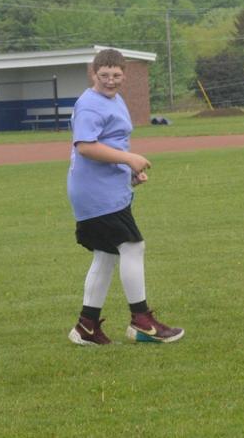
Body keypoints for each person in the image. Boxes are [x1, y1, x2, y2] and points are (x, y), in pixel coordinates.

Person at [67, 48, 183, 346]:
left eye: (116, 75)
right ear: (93, 74)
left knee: (106, 255)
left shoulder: (114, 100)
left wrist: (127, 170)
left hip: (107, 188)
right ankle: (142, 321)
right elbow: (86, 147)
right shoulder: (91, 105)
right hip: (96, 192)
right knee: (133, 246)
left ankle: (86, 327)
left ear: (124, 75)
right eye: (104, 75)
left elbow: (111, 143)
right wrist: (129, 159)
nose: (110, 81)